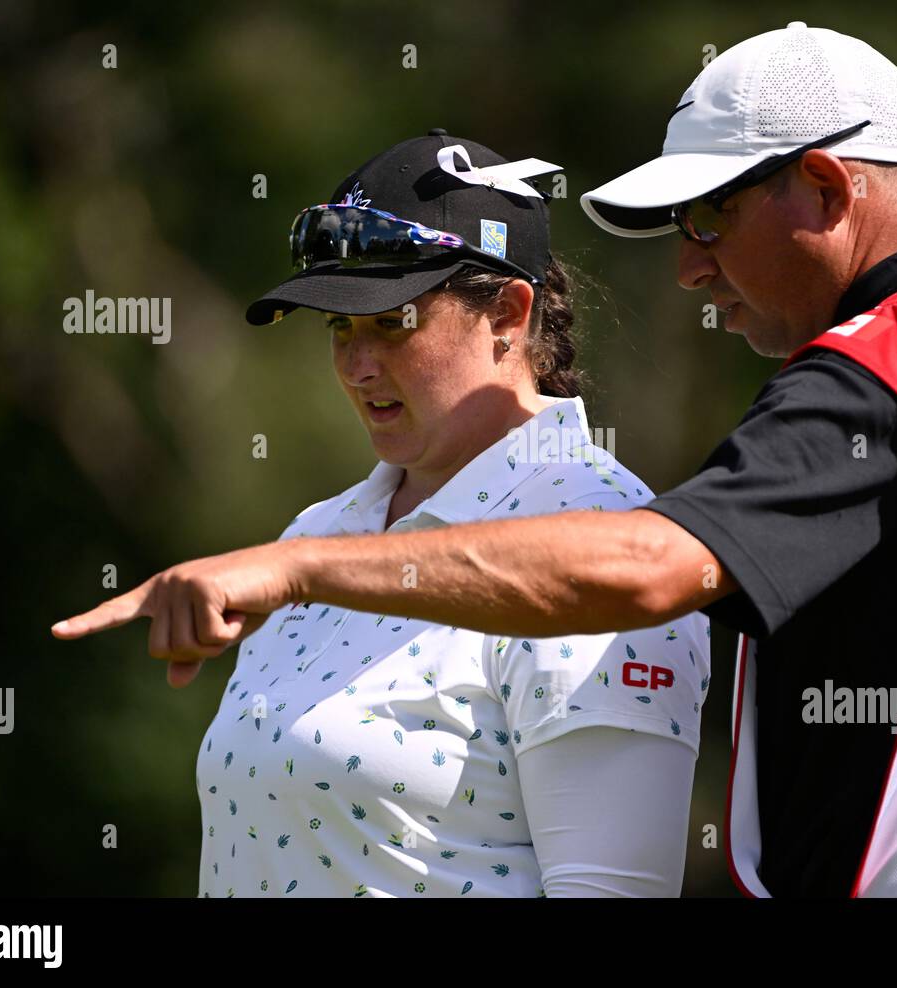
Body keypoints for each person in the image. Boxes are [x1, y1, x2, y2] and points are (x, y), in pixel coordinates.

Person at [53, 26, 897, 898]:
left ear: (824, 186)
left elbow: (651, 568)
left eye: (708, 221)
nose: (692, 271)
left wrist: (303, 572)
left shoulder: (879, 375)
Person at [70, 131, 712, 898]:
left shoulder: (608, 539)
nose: (356, 364)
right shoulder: (315, 534)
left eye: (392, 321)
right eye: (340, 326)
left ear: (508, 313)